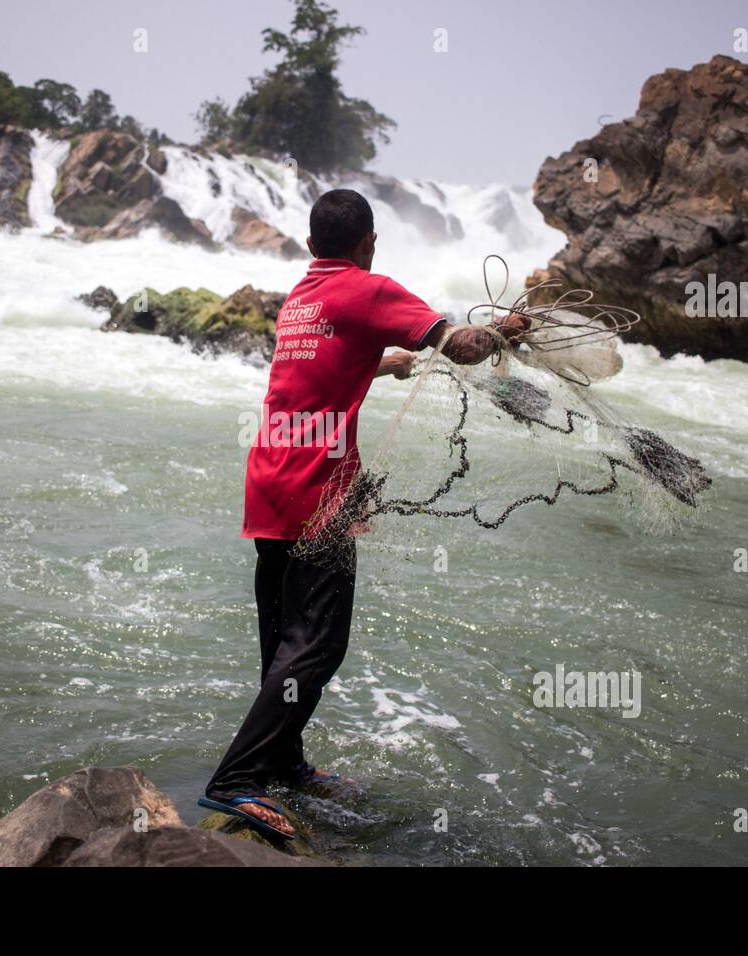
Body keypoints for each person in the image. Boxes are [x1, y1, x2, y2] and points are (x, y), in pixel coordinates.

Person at [199, 188, 527, 840]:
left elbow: (319, 368)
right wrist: (506, 332)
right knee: (317, 643)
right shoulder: (368, 289)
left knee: (282, 641)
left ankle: (284, 764)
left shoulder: (300, 300)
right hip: (317, 491)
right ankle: (236, 780)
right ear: (368, 242)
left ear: (313, 242)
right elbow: (460, 346)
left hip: (269, 482)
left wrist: (381, 366)